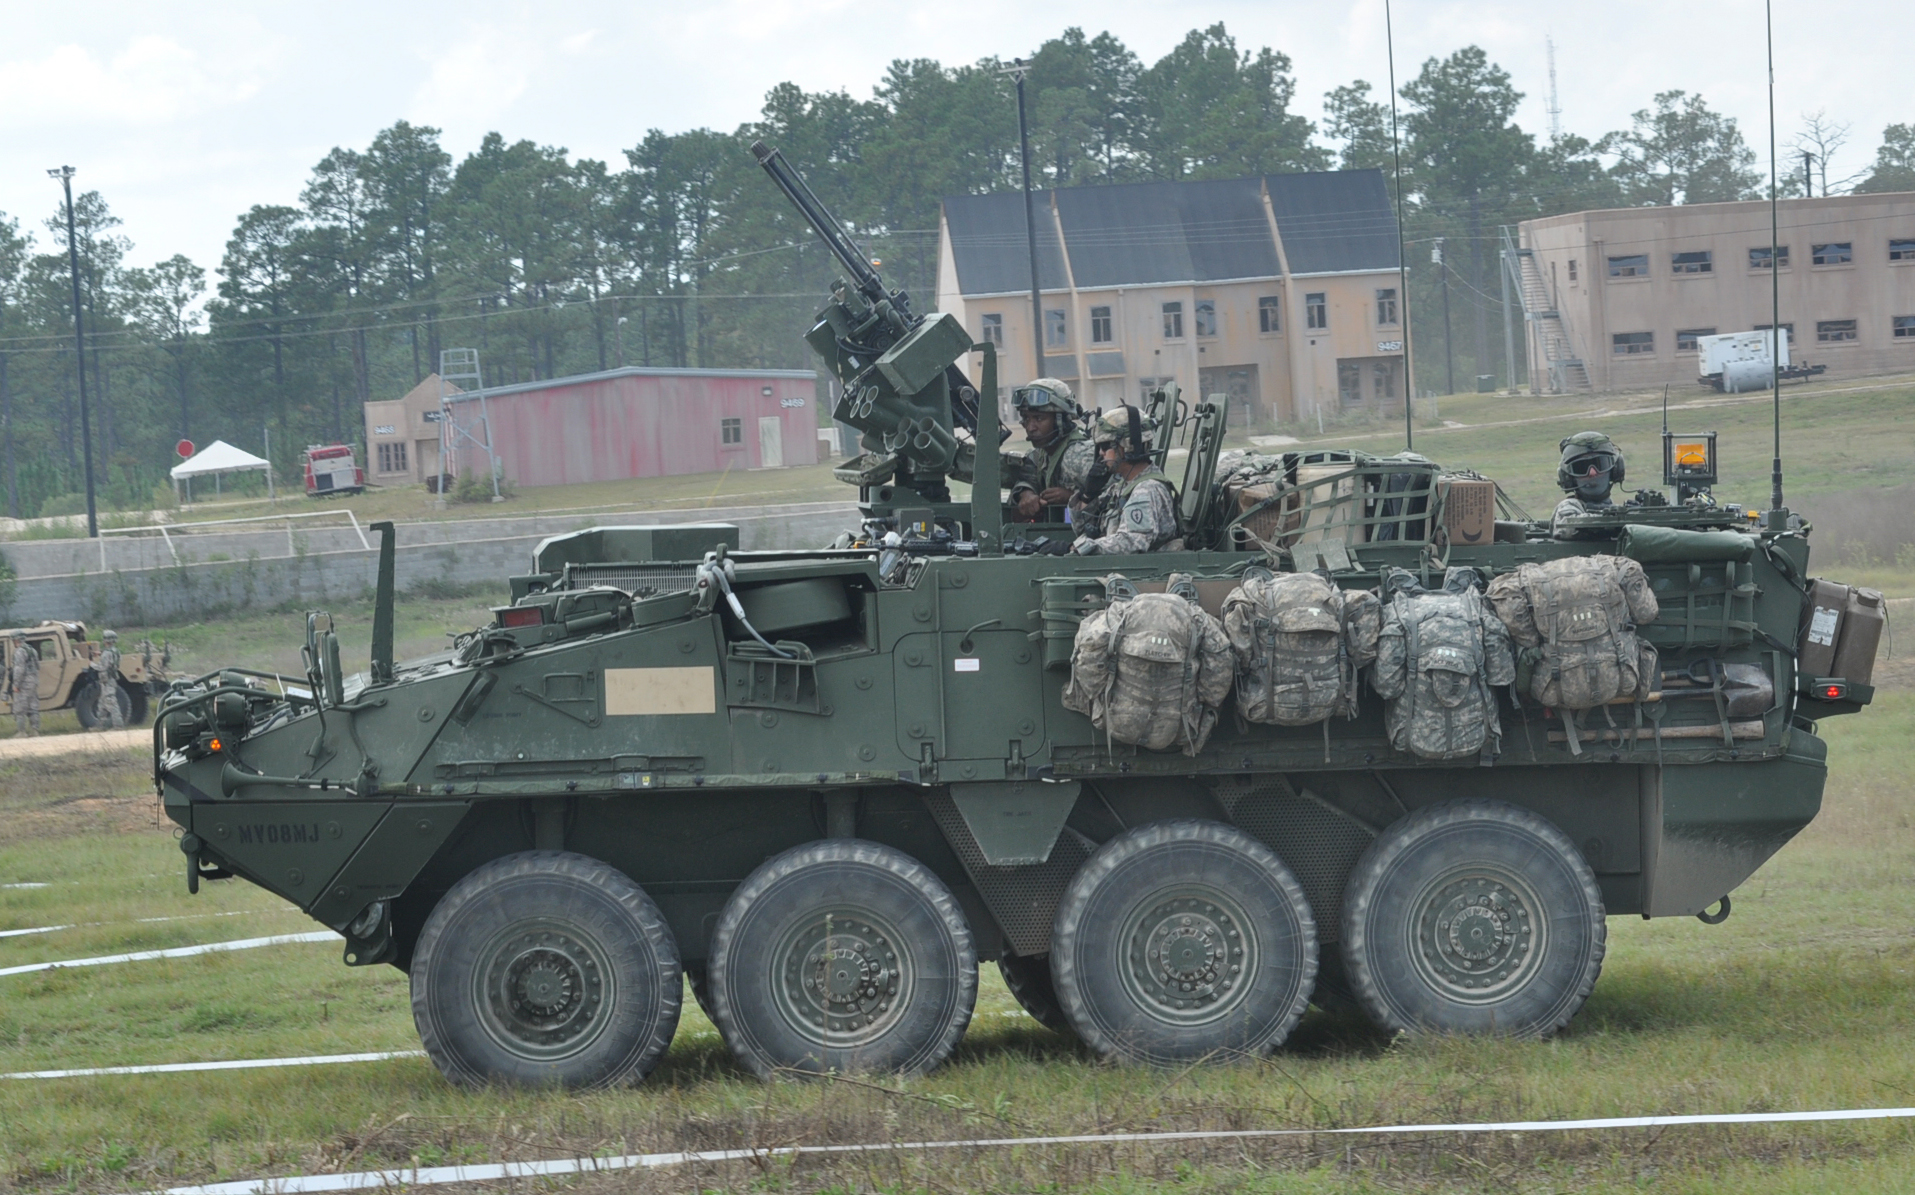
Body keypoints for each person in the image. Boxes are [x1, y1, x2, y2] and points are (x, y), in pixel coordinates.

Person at [1072, 406, 1182, 555]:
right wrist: (1088, 495)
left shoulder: (1148, 489)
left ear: (1127, 446)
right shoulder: (1122, 487)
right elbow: (1080, 530)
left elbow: (1132, 542)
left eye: (1105, 446)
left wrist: (1077, 548)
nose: (1100, 453)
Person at [1002, 378, 1098, 521]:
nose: (1030, 428)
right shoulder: (1040, 454)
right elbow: (1028, 476)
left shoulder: (1081, 455)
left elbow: (1115, 498)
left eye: (1039, 418)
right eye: (1026, 419)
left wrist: (1072, 497)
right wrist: (1026, 493)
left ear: (1061, 420)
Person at [1552, 431, 1627, 541]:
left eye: (1600, 464)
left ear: (1615, 470)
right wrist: (1615, 521)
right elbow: (1566, 525)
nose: (1592, 473)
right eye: (1582, 468)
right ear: (1568, 478)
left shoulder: (1618, 510)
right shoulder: (1569, 506)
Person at [8, 631, 39, 737]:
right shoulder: (32, 650)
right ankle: (35, 731)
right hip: (33, 681)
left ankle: (21, 732)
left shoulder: (19, 652)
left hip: (24, 683)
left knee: (19, 708)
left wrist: (16, 684)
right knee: (33, 706)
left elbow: (19, 669)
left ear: (16, 640)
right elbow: (37, 666)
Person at [94, 629, 126, 730]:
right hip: (109, 680)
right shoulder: (116, 652)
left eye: (104, 639)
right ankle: (100, 725)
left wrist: (91, 664)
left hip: (108, 680)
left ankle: (118, 725)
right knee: (102, 703)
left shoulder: (107, 653)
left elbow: (103, 667)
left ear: (107, 641)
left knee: (111, 702)